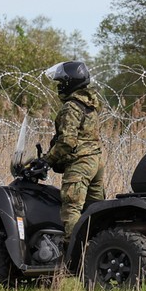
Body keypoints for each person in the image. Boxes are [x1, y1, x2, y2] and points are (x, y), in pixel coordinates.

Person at [42, 61, 105, 244]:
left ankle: (74, 258)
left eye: (62, 81)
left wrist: (47, 160)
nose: (60, 85)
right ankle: (95, 250)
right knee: (95, 210)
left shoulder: (72, 106)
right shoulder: (89, 103)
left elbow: (67, 142)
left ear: (71, 82)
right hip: (95, 161)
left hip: (80, 163)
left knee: (71, 208)